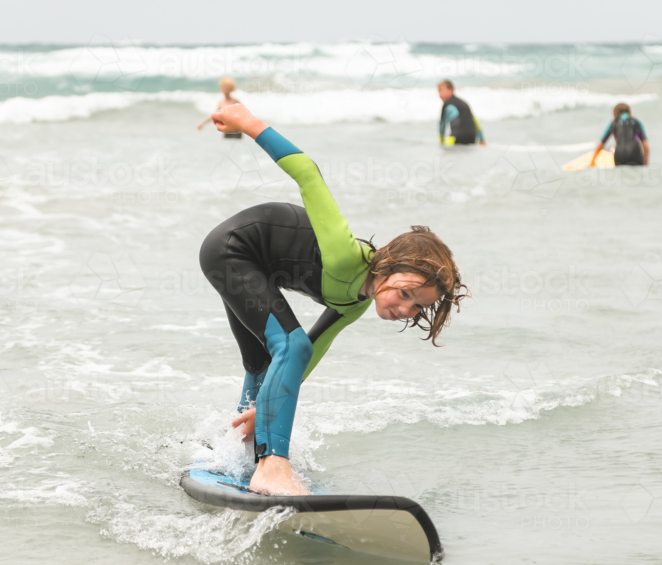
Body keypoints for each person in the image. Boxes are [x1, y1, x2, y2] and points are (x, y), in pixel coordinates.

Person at [200, 103, 467, 496]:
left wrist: (266, 411)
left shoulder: (354, 303)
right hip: (232, 250)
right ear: (388, 264)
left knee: (267, 362)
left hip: (249, 264)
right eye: (407, 293)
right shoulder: (344, 255)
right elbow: (308, 173)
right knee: (289, 344)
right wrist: (249, 123)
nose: (405, 309)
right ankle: (273, 466)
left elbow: (306, 357)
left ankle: (237, 452)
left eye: (418, 307)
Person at [437, 80, 485, 146]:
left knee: (446, 148)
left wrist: (441, 142)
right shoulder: (464, 103)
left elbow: (442, 125)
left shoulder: (446, 104)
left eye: (441, 90)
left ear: (451, 90)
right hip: (472, 137)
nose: (440, 94)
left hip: (456, 137)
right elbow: (476, 121)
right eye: (438, 91)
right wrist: (482, 140)